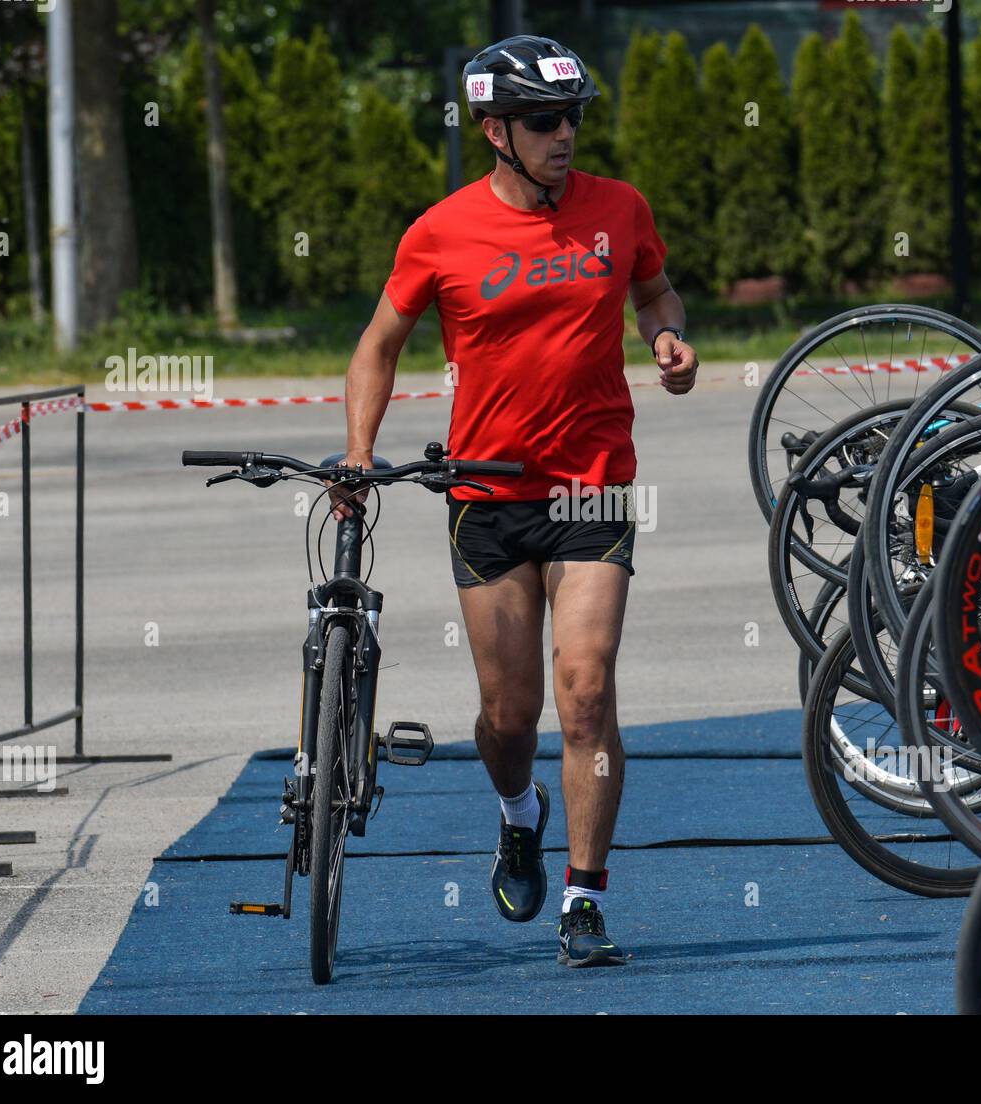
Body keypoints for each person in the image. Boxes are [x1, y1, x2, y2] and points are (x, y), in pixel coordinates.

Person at [336, 34, 697, 967]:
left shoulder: (620, 210)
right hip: (487, 494)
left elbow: (656, 292)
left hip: (591, 487)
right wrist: (358, 456)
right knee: (510, 718)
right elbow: (379, 344)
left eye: (572, 117)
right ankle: (517, 812)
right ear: (494, 129)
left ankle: (584, 897)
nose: (564, 135)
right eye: (543, 121)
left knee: (586, 690)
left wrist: (667, 341)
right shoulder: (442, 230)